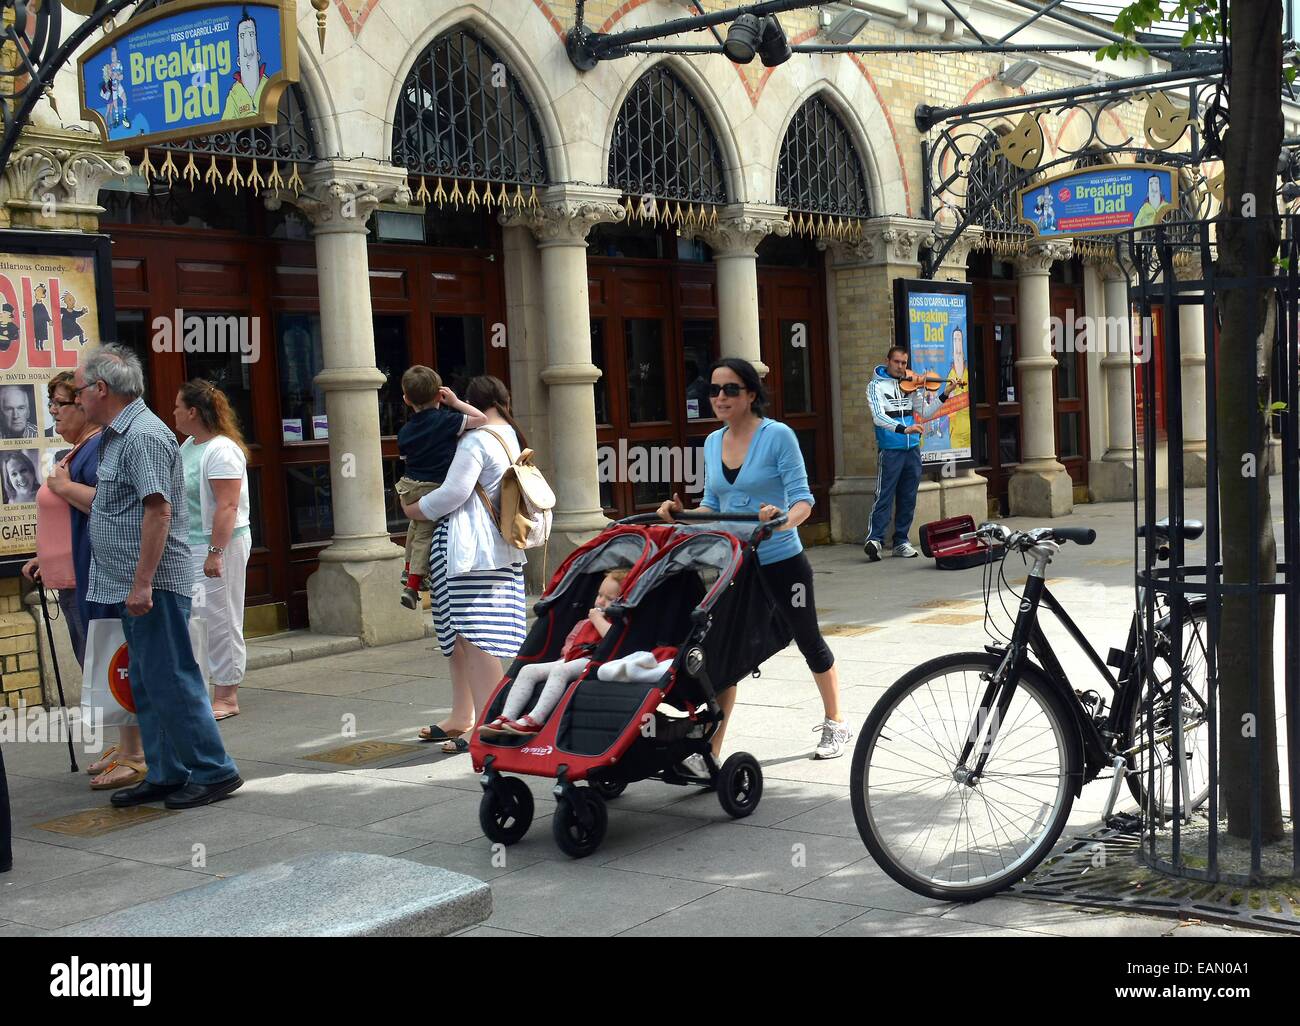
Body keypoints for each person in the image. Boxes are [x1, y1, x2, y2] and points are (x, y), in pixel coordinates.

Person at [658, 357, 852, 762]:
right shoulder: (713, 442)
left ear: (750, 394)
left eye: (730, 389)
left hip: (782, 560)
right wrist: (683, 514)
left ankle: (836, 722)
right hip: (736, 563)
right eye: (713, 390)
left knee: (808, 639)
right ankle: (710, 750)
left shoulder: (777, 435)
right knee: (721, 654)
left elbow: (803, 500)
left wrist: (781, 522)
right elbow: (714, 505)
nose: (720, 397)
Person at [75, 344, 241, 810]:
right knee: (147, 681)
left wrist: (143, 582)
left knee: (173, 676)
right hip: (128, 583)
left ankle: (214, 770)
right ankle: (168, 771)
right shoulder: (117, 434)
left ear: (102, 389)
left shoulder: (142, 435)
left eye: (80, 388)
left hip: (150, 585)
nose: (78, 396)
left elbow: (158, 511)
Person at [23, 372, 142, 789]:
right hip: (71, 575)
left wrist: (65, 485)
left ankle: (136, 754)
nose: (52, 411)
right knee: (96, 663)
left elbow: (108, 508)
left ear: (83, 405)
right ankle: (123, 746)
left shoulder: (95, 451)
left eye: (59, 403)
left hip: (92, 574)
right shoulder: (78, 450)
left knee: (112, 662)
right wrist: (46, 556)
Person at [400, 375, 528, 754]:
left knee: (475, 638)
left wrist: (414, 509)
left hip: (469, 553)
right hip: (492, 550)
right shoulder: (508, 433)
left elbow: (453, 493)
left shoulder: (477, 438)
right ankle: (463, 715)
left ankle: (486, 722)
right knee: (461, 637)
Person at [174, 379, 253, 722]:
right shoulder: (188, 445)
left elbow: (227, 506)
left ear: (192, 411)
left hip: (222, 542)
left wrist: (215, 552)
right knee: (197, 619)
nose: (173, 412)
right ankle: (202, 688)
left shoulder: (221, 450)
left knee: (221, 617)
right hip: (190, 544)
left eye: (178, 406)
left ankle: (227, 694)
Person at [479, 569, 628, 737]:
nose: (601, 601)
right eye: (600, 595)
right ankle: (506, 717)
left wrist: (597, 619)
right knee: (528, 670)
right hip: (572, 658)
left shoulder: (618, 622)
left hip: (596, 661)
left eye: (609, 599)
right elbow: (570, 642)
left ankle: (535, 719)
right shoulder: (586, 621)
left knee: (560, 671)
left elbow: (612, 640)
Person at [394, 366, 487, 609]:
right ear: (439, 395)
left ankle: (407, 570)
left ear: (406, 399)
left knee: (414, 527)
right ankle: (413, 585)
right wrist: (455, 402)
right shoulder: (447, 420)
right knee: (424, 533)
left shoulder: (404, 431)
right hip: (431, 486)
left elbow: (405, 460)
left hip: (408, 486)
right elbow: (481, 419)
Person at [863, 345, 955, 561]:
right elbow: (878, 416)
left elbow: (925, 411)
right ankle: (875, 539)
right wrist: (904, 429)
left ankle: (901, 541)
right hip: (891, 448)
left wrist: (945, 394)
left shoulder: (911, 385)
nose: (901, 367)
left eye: (904, 363)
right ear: (888, 361)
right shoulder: (875, 386)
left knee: (908, 497)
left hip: (912, 448)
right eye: (897, 362)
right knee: (884, 495)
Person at [32, 284, 51, 353]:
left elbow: (46, 314)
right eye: (36, 293)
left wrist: (49, 320)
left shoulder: (43, 306)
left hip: (42, 324)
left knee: (41, 336)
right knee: (37, 336)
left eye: (38, 293)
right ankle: (37, 345)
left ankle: (41, 345)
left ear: (43, 296)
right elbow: (30, 313)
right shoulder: (34, 306)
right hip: (36, 324)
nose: (36, 295)